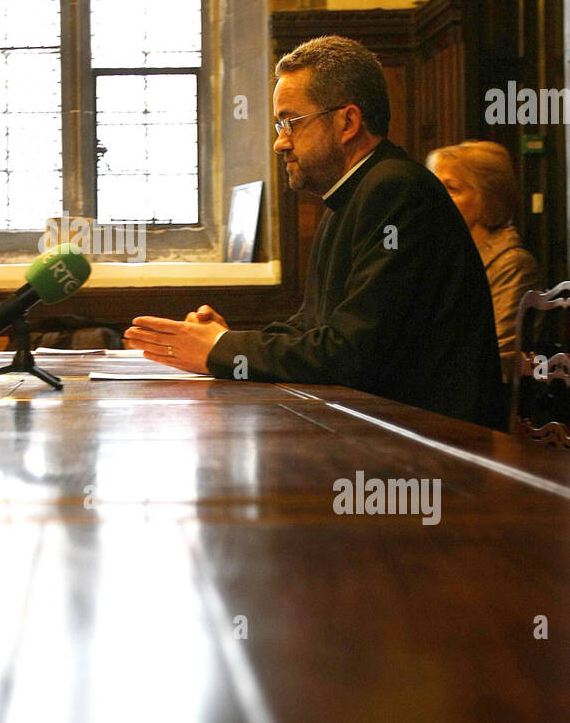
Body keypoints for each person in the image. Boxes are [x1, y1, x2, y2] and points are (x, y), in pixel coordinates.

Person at [125, 36, 506, 430]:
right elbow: (315, 326)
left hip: (438, 448)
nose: (279, 142)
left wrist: (221, 349)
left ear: (348, 122)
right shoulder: (355, 193)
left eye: (290, 122)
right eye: (279, 125)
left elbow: (354, 353)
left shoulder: (395, 190)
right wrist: (225, 339)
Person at [426, 141, 538, 385]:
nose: (437, 198)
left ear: (488, 198)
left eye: (452, 189)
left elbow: (499, 356)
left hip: (476, 398)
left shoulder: (512, 262)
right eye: (435, 187)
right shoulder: (441, 254)